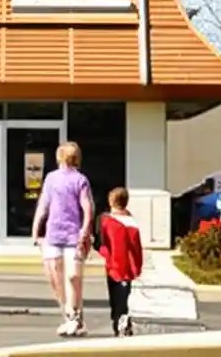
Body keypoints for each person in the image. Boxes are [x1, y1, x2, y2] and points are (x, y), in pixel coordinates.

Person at [30, 141, 93, 337]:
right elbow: (43, 205)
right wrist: (35, 230)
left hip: (73, 235)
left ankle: (75, 315)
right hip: (53, 234)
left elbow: (87, 207)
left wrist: (85, 229)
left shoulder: (80, 180)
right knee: (54, 277)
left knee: (73, 276)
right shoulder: (51, 179)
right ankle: (69, 314)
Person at [98, 186, 143, 337]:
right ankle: (122, 320)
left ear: (111, 202)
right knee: (125, 296)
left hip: (113, 266)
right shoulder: (132, 222)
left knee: (115, 296)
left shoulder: (107, 221)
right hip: (128, 268)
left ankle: (117, 321)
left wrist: (102, 254)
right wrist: (138, 265)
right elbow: (137, 247)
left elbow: (103, 243)